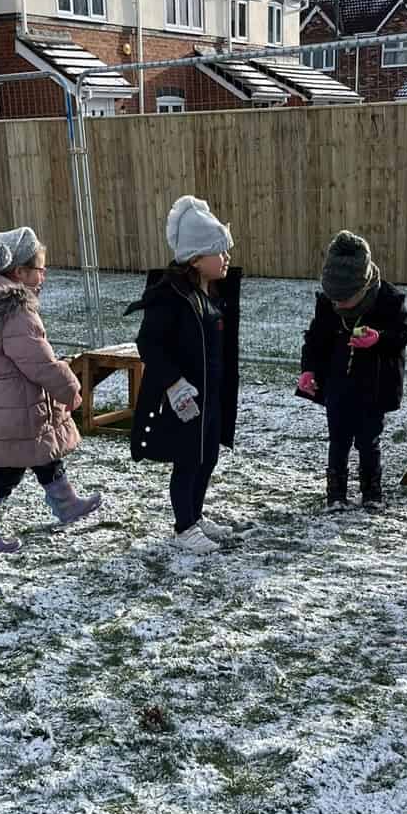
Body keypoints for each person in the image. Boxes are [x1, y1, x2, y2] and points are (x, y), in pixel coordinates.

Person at [0, 226, 100, 552]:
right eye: (39, 269)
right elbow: (37, 360)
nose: (43, 276)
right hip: (15, 401)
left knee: (45, 453)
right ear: (19, 271)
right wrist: (69, 387)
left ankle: (66, 504)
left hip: (6, 398)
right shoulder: (15, 308)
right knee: (5, 471)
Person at [125, 196, 241, 554]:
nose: (226, 258)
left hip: (212, 395)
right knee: (188, 460)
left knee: (208, 457)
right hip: (187, 397)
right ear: (195, 259)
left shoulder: (210, 293)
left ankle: (196, 514)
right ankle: (184, 527)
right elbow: (149, 343)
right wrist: (174, 384)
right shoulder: (171, 296)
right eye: (219, 252)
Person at [297, 230, 407, 510]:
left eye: (343, 300)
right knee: (338, 439)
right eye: (333, 299)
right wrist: (308, 370)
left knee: (368, 439)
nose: (337, 305)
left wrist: (378, 339)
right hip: (337, 383)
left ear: (362, 289)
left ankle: (372, 492)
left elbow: (402, 333)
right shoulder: (328, 303)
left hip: (373, 384)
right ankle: (335, 493)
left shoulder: (388, 299)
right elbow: (316, 338)